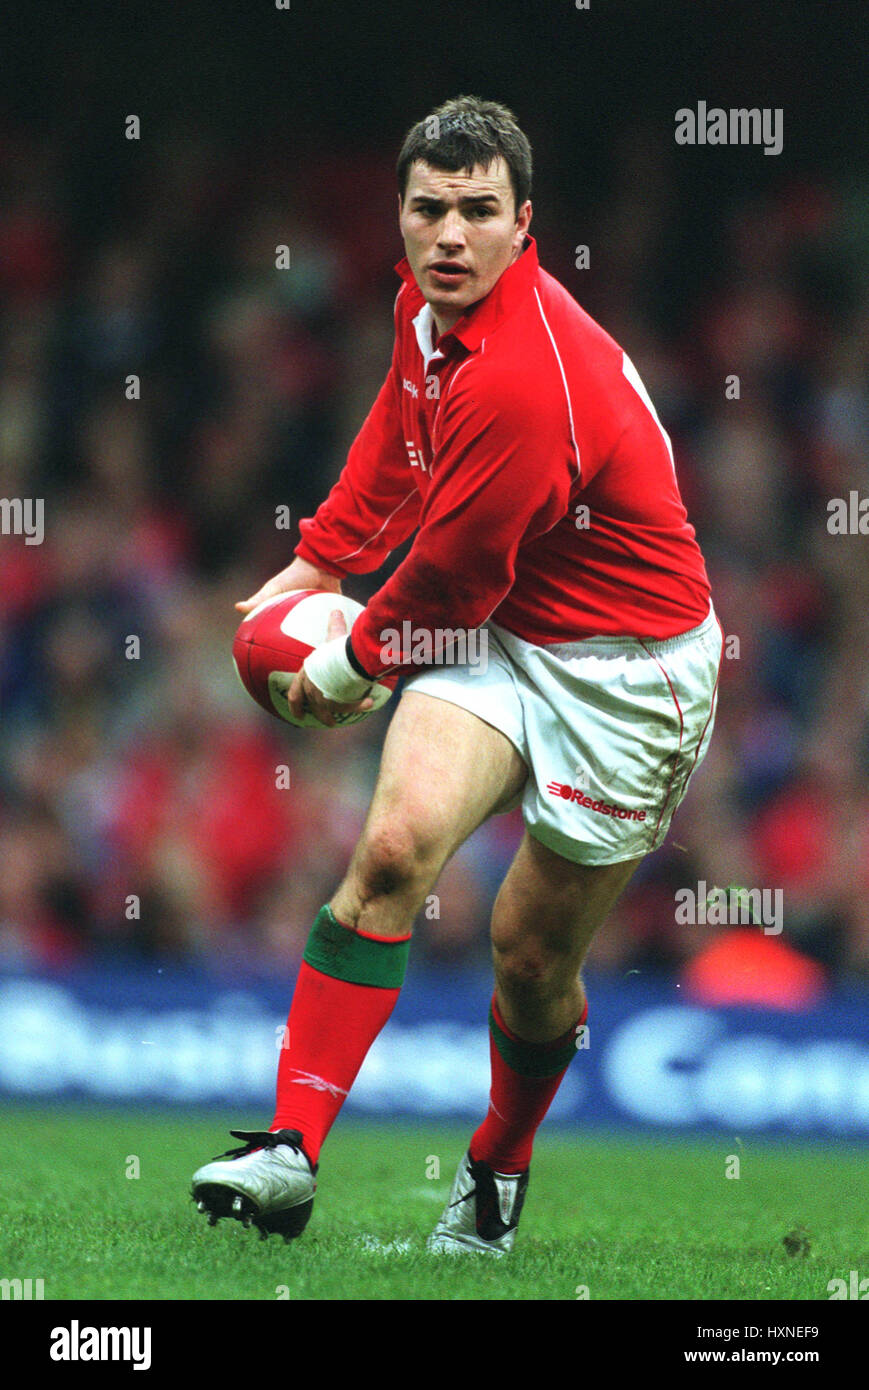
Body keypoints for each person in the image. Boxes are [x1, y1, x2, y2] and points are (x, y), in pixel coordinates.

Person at [190, 95, 722, 1255]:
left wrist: (340, 664)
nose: (448, 234)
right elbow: (396, 426)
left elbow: (451, 578)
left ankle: (495, 1169)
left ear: (523, 223)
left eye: (478, 211)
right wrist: (321, 552)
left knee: (528, 958)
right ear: (400, 214)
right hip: (498, 630)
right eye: (428, 208)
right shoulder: (424, 313)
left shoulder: (527, 377)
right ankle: (286, 1151)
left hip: (625, 675)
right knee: (388, 851)